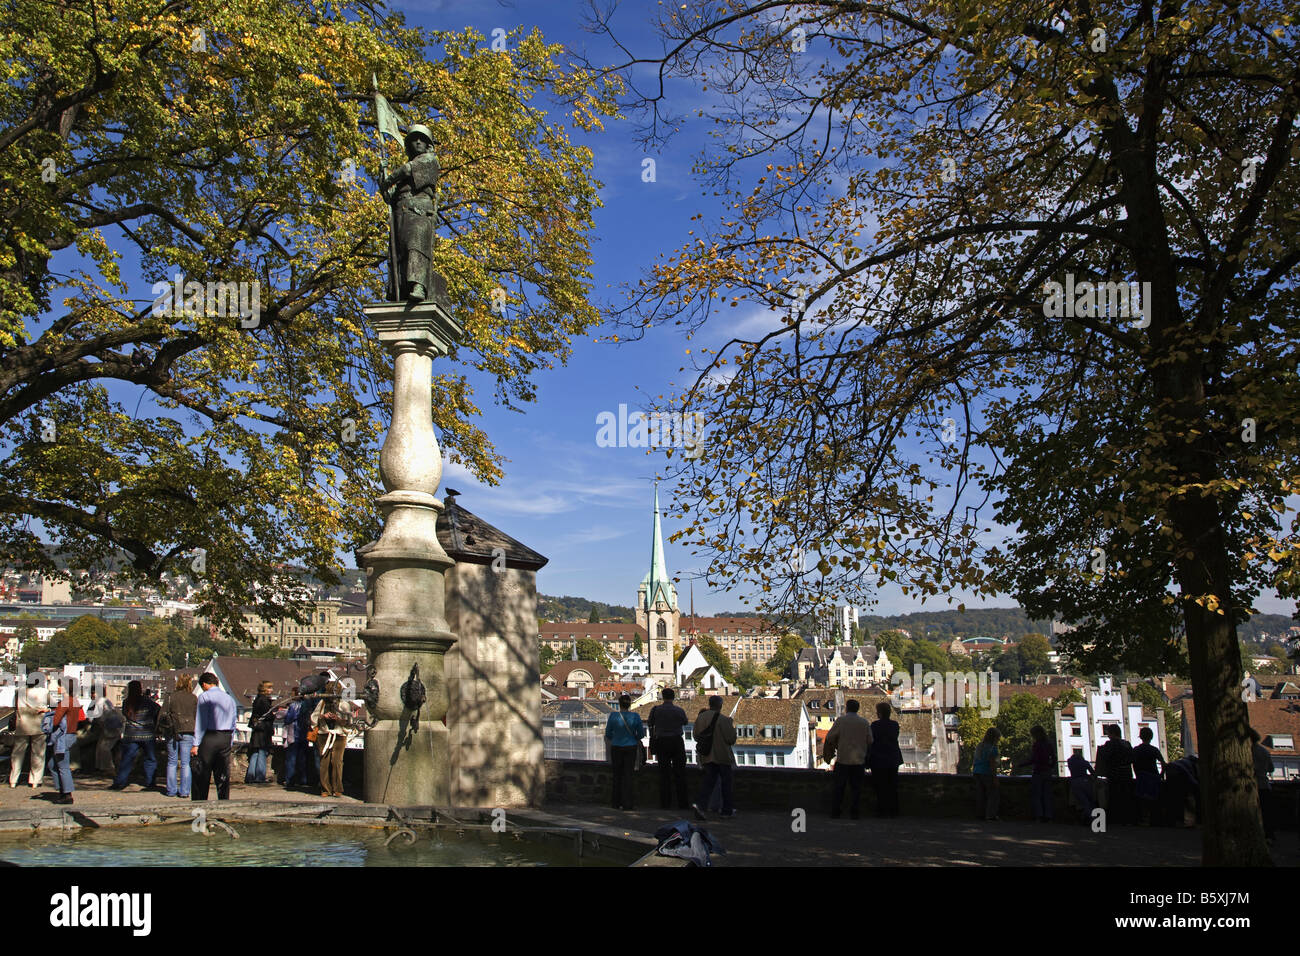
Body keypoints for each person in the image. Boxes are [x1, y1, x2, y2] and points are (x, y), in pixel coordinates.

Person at [823, 699, 873, 820]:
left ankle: (836, 811)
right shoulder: (864, 722)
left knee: (839, 787)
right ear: (858, 708)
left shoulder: (841, 721)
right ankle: (855, 812)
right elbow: (870, 741)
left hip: (843, 759)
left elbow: (830, 737)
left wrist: (837, 745)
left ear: (847, 708)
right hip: (859, 761)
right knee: (856, 789)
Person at [192, 672, 237, 801]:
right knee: (222, 774)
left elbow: (201, 721)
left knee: (203, 772)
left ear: (204, 684)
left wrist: (196, 743)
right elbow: (233, 722)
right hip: (225, 736)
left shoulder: (204, 697)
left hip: (210, 736)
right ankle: (223, 803)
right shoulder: (229, 698)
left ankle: (200, 803)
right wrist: (230, 740)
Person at [691, 696, 737, 820]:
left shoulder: (700, 718)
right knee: (726, 783)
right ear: (720, 706)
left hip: (707, 756)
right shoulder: (724, 720)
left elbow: (696, 736)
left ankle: (701, 806)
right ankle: (726, 810)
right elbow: (731, 739)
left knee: (708, 782)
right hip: (722, 755)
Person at [110, 680, 161, 791]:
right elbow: (158, 710)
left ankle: (120, 782)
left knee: (127, 760)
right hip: (147, 734)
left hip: (131, 734)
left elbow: (125, 715)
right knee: (150, 759)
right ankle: (150, 782)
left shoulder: (126, 703)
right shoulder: (148, 702)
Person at [647, 688, 690, 810]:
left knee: (664, 773)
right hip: (676, 741)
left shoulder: (656, 710)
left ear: (662, 696)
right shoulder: (679, 711)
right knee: (680, 773)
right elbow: (685, 722)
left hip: (662, 741)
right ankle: (683, 803)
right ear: (673, 697)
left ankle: (665, 803)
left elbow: (650, 722)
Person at [313, 681, 356, 798]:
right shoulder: (322, 703)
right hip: (324, 734)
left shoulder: (344, 704)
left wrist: (338, 719)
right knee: (324, 762)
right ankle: (325, 788)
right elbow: (314, 717)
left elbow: (349, 722)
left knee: (337, 762)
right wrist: (323, 716)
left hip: (339, 735)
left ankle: (337, 788)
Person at [603, 693, 646, 811]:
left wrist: (616, 738)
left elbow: (607, 734)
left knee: (617, 775)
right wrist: (632, 738)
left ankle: (616, 802)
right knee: (628, 775)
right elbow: (641, 734)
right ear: (630, 704)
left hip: (616, 747)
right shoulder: (635, 717)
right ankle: (628, 803)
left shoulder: (613, 716)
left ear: (619, 704)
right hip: (630, 747)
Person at [44, 683, 84, 805]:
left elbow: (56, 721)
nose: (58, 689)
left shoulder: (65, 702)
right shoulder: (74, 701)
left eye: (60, 686)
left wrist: (48, 714)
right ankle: (62, 790)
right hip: (71, 734)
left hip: (62, 737)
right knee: (54, 764)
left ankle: (66, 794)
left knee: (62, 766)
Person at [9, 674, 49, 789]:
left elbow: (15, 707)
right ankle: (35, 780)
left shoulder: (20, 692)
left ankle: (13, 780)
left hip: (22, 725)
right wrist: (46, 709)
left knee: (17, 754)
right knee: (38, 754)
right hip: (38, 725)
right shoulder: (44, 692)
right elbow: (53, 703)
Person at [162, 673, 198, 798]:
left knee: (172, 761)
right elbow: (196, 716)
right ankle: (184, 791)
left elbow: (163, 714)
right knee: (185, 763)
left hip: (172, 730)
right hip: (188, 731)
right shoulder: (193, 698)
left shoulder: (171, 697)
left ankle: (171, 790)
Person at [868, 700, 904, 817]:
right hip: (892, 758)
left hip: (878, 758)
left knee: (880, 787)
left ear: (880, 713)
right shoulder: (894, 725)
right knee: (892, 786)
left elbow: (871, 741)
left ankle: (881, 810)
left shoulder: (874, 725)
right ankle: (894, 810)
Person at [1096, 725, 1135, 825]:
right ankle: (1128, 819)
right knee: (1126, 796)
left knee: (1114, 796)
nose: (1108, 736)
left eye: (1108, 733)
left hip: (1114, 774)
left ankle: (1115, 819)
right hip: (1126, 773)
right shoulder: (1126, 744)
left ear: (1112, 733)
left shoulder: (1110, 744)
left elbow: (1105, 757)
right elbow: (1132, 758)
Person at [1017, 724, 1055, 822]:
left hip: (1038, 771)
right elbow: (1053, 758)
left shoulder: (1037, 745)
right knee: (1047, 795)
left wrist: (1021, 765)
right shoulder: (1049, 744)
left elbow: (1033, 759)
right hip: (1047, 771)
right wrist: (1050, 767)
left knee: (1037, 795)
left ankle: (1039, 815)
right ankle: (1048, 816)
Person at [1132, 726, 1166, 826]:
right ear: (1151, 737)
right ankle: (1155, 819)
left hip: (1141, 776)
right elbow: (1163, 764)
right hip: (1153, 776)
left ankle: (1144, 819)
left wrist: (1137, 774)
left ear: (1141, 737)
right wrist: (1160, 775)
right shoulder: (1154, 750)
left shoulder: (1136, 750)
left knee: (1142, 799)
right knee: (1153, 799)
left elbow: (1133, 763)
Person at [245, 681, 275, 784]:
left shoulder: (257, 699)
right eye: (270, 688)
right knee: (262, 752)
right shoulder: (264, 701)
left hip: (257, 730)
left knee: (255, 753)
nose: (272, 690)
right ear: (265, 689)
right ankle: (260, 776)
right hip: (263, 730)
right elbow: (268, 715)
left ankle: (250, 776)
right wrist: (273, 714)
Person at [1251, 729, 1275, 840]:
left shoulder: (1250, 752)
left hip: (1254, 786)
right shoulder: (1264, 751)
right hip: (1265, 785)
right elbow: (1271, 768)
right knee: (1267, 813)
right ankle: (1269, 836)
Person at [973, 727, 1001, 821]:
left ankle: (979, 814)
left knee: (980, 795)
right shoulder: (993, 748)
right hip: (987, 772)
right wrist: (995, 777)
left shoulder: (980, 746)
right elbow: (992, 764)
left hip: (977, 772)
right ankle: (990, 815)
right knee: (992, 795)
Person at [1066, 749, 1096, 823]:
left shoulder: (1070, 762)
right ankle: (1092, 818)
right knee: (1090, 800)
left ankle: (1086, 818)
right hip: (1085, 781)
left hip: (1075, 781)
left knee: (1083, 801)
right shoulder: (1084, 762)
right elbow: (1093, 773)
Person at [96, 699, 124, 774]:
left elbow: (100, 718)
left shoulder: (100, 702)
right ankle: (111, 767)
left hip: (110, 729)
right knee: (115, 749)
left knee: (104, 748)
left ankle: (108, 768)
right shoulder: (107, 701)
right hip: (116, 728)